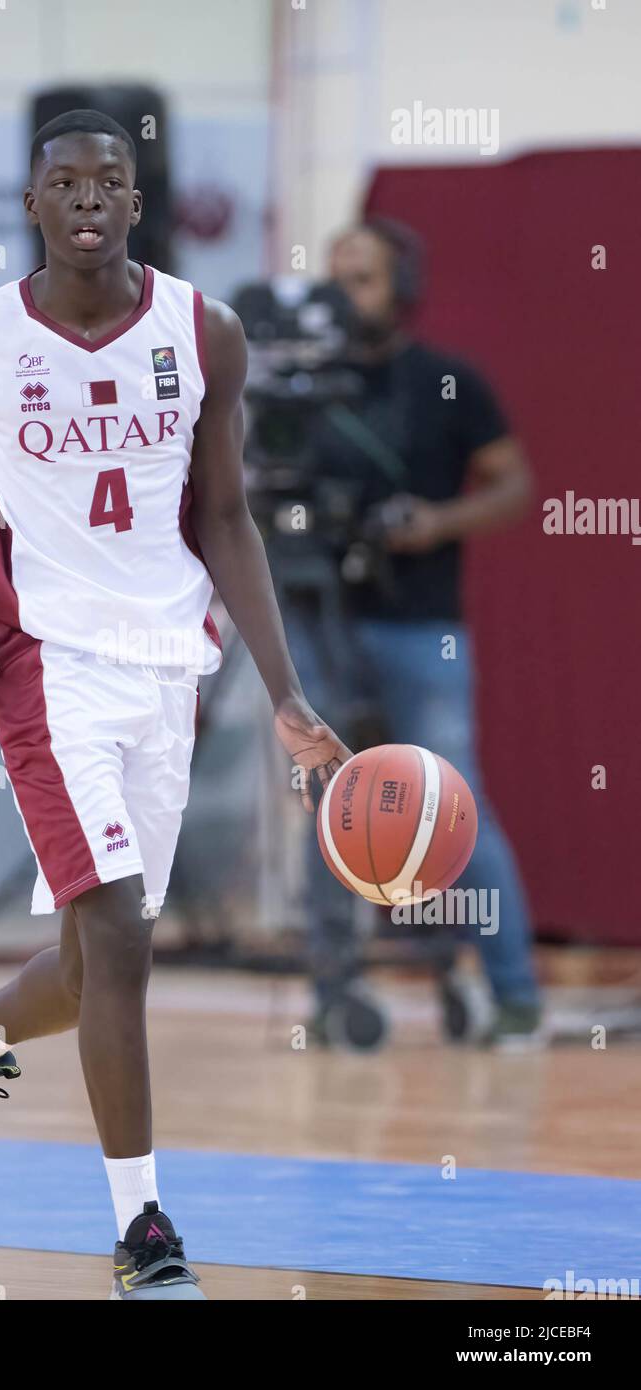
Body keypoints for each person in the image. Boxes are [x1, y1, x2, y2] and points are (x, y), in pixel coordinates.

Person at [0, 109, 351, 1300]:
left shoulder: (206, 333)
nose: (89, 196)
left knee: (101, 962)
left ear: (137, 205)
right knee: (116, 938)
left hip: (166, 666)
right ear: (33, 204)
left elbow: (224, 517)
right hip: (43, 665)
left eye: (111, 180)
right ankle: (144, 1231)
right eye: (66, 182)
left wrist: (287, 691)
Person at [286, 218, 541, 1047]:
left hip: (420, 624)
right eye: (334, 277)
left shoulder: (449, 382)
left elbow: (513, 486)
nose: (343, 295)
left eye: (360, 278)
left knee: (452, 803)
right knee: (330, 803)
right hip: (318, 623)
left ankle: (513, 996)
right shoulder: (295, 390)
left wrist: (438, 523)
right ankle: (334, 994)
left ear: (403, 286)